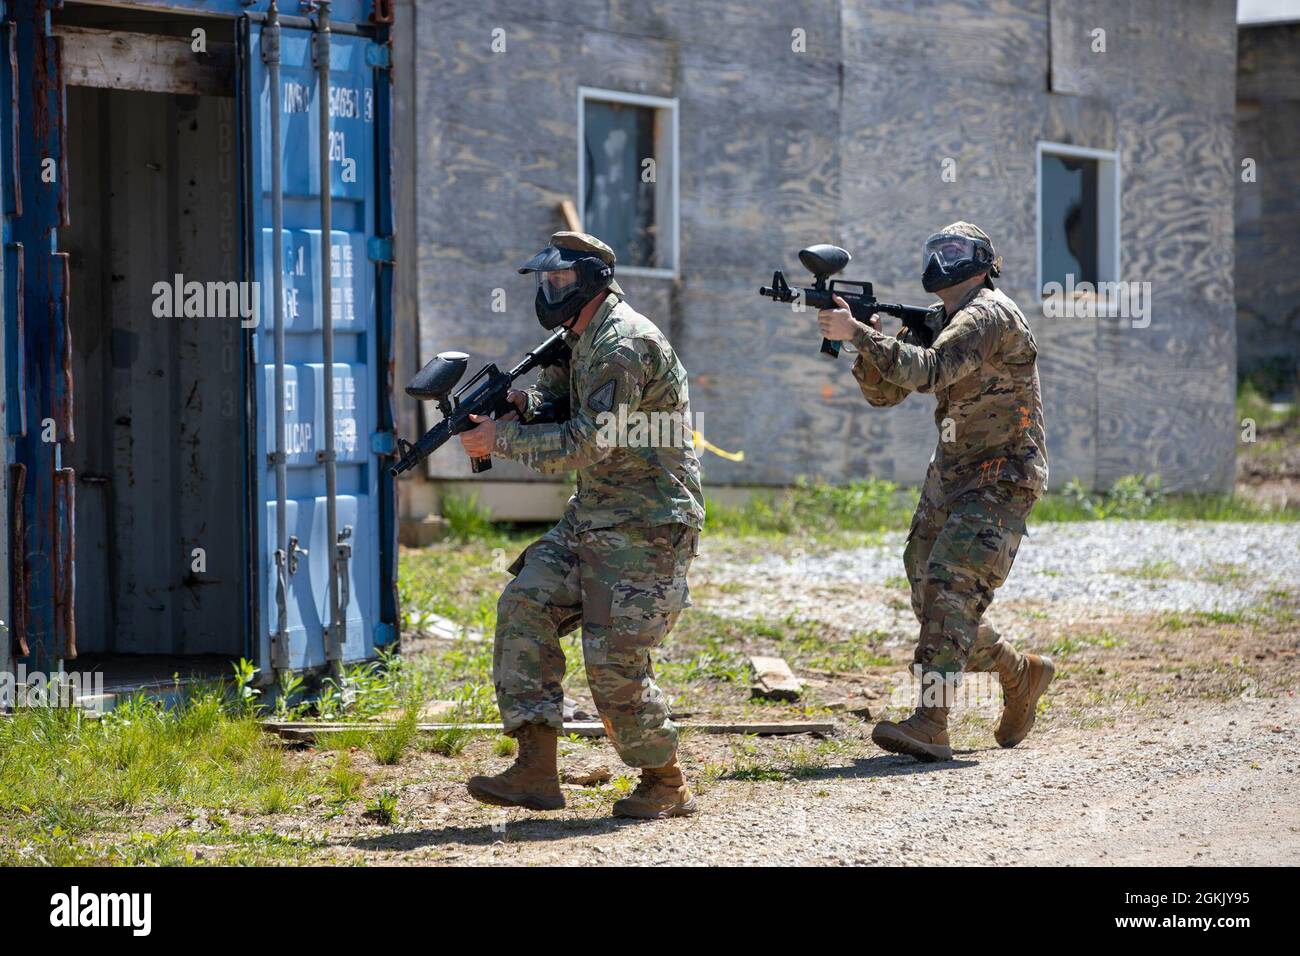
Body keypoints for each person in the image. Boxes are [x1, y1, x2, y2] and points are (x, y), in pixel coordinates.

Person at [458, 231, 705, 816]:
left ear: (593, 279)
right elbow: (564, 408)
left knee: (614, 664)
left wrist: (503, 438)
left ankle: (665, 782)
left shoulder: (623, 344)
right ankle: (536, 770)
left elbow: (590, 441)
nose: (551, 290)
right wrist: (523, 408)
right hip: (593, 515)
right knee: (525, 603)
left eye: (562, 280)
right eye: (547, 280)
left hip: (646, 524)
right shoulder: (575, 338)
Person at [816, 221, 1055, 762]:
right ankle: (1019, 673)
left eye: (955, 250)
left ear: (984, 262)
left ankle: (931, 720)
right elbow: (885, 394)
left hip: (1002, 474)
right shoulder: (945, 322)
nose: (942, 259)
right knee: (929, 588)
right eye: (936, 250)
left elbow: (932, 372)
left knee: (951, 587)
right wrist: (861, 342)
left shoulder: (988, 314)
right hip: (953, 471)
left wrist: (858, 332)